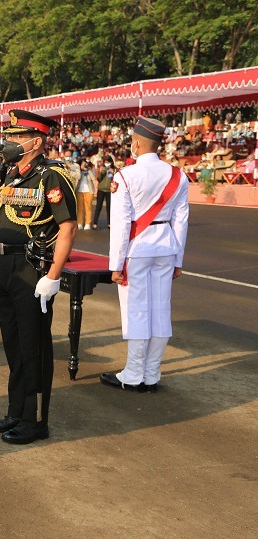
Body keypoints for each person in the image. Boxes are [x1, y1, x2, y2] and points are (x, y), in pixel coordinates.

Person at [0, 110, 77, 445]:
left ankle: (35, 419)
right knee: (13, 343)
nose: (8, 142)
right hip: (2, 265)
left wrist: (53, 275)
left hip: (30, 268)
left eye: (16, 138)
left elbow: (67, 227)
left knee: (32, 344)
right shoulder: (14, 174)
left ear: (35, 142)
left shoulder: (50, 176)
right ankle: (16, 410)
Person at [101, 117, 189, 393]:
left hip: (136, 250)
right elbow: (181, 221)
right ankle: (151, 374)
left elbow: (121, 224)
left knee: (137, 311)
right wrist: (178, 260)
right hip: (166, 246)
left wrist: (115, 264)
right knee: (161, 310)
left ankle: (132, 373)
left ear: (137, 143)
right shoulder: (178, 175)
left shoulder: (125, 175)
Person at [92, 157, 115, 229]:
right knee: (98, 206)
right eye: (106, 162)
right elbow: (98, 179)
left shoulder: (113, 169)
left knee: (109, 207)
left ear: (111, 162)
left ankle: (109, 223)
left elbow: (113, 179)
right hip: (101, 189)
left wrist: (112, 173)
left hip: (109, 190)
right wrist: (102, 173)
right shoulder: (102, 168)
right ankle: (95, 223)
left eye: (108, 162)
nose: (107, 163)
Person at [75, 158, 95, 230]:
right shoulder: (78, 171)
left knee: (88, 207)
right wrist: (80, 169)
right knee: (80, 208)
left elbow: (93, 178)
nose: (84, 165)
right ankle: (80, 223)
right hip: (80, 191)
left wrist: (88, 170)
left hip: (89, 191)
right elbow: (78, 177)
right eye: (82, 164)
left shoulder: (90, 170)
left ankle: (87, 223)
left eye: (85, 163)